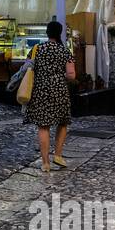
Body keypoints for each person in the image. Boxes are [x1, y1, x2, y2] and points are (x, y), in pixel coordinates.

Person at [25, 20, 76, 173]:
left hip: (40, 90)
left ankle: (45, 163)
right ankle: (58, 155)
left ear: (47, 32)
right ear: (59, 33)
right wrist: (60, 76)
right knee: (62, 122)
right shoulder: (65, 51)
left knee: (43, 126)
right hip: (59, 90)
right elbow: (71, 75)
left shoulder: (37, 49)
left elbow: (27, 66)